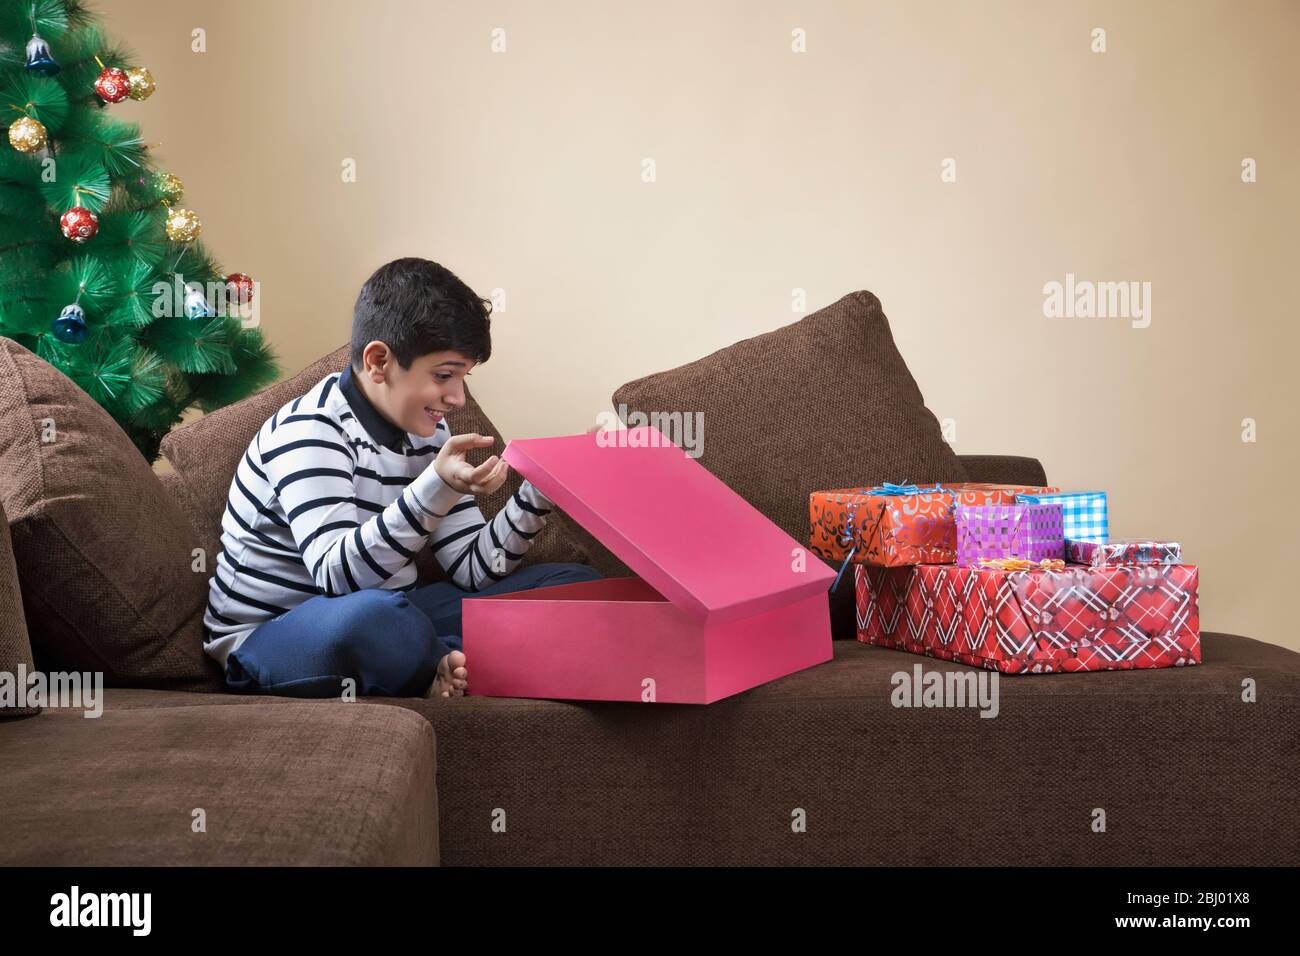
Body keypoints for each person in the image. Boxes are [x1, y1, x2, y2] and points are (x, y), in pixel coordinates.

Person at [201, 257, 601, 699]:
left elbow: (472, 570)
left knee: (572, 587)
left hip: (403, 613)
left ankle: (440, 661)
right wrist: (438, 487)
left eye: (463, 378)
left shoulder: (429, 435)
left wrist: (538, 493)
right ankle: (447, 659)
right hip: (277, 637)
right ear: (378, 361)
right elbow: (338, 579)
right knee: (374, 619)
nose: (457, 397)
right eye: (444, 376)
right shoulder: (309, 431)